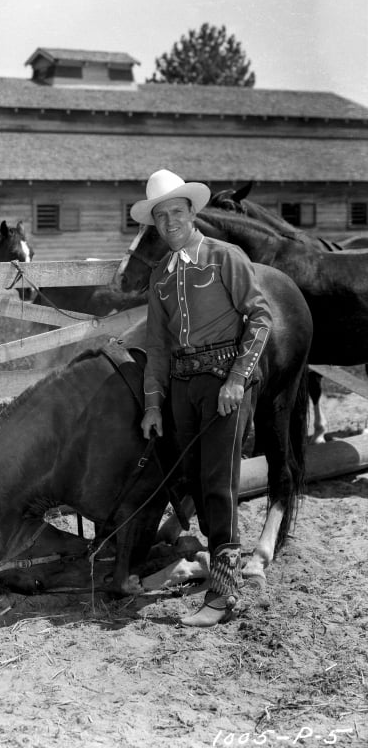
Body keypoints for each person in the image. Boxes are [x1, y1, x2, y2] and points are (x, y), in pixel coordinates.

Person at [130, 169, 273, 627]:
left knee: (219, 481)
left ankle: (224, 597)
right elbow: (155, 346)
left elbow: (261, 318)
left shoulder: (223, 257)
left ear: (192, 213)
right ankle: (209, 566)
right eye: (161, 216)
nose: (170, 222)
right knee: (191, 480)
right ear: (154, 224)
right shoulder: (160, 278)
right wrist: (153, 404)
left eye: (177, 211)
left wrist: (237, 380)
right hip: (181, 387)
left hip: (224, 382)